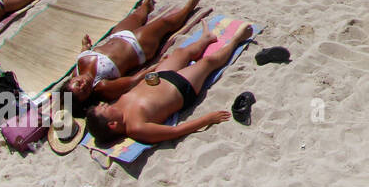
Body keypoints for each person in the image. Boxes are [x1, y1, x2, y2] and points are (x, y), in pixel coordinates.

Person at [84, 22, 253, 145]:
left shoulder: (118, 108)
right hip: (180, 87)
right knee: (207, 63)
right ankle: (237, 40)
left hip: (157, 77)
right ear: (113, 125)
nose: (106, 104)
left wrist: (153, 69)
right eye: (105, 109)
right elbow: (174, 131)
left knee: (181, 52)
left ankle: (205, 39)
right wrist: (207, 119)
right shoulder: (136, 127)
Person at [62, 0, 204, 105]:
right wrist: (156, 66)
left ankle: (146, 5)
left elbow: (83, 55)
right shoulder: (101, 86)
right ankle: (188, 8)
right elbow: (132, 81)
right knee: (165, 23)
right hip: (139, 46)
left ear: (71, 81)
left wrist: (85, 47)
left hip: (116, 36)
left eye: (78, 85)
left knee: (137, 15)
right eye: (85, 92)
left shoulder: (77, 71)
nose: (84, 86)